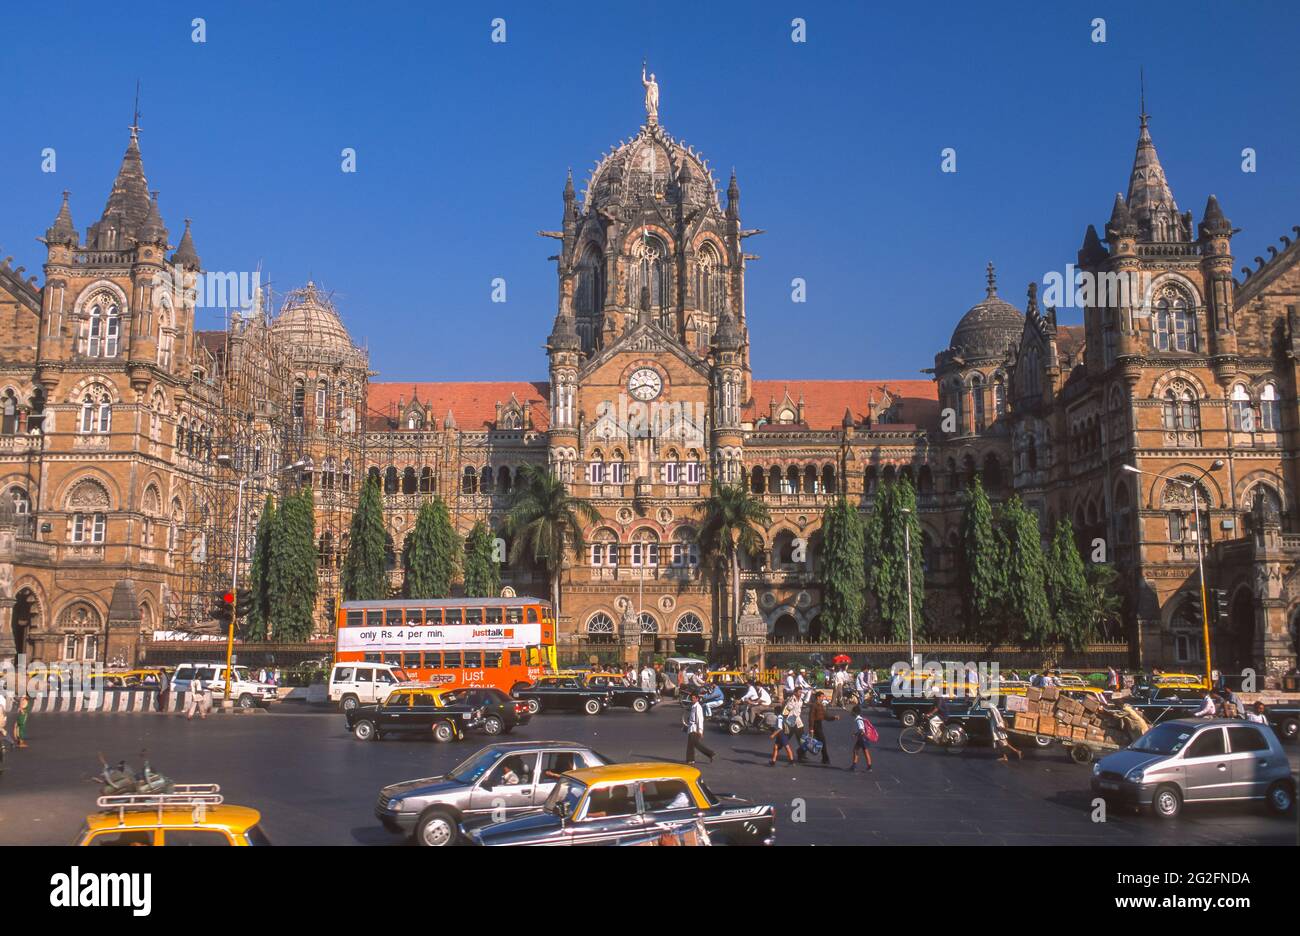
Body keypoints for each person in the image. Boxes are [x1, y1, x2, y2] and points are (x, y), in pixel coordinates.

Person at [682, 691, 715, 766]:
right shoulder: (693, 706)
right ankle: (691, 760)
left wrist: (700, 730)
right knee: (693, 744)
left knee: (694, 744)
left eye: (694, 698)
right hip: (691, 728)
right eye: (692, 698)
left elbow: (700, 719)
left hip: (695, 729)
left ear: (697, 699)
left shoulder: (698, 707)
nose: (692, 699)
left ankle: (709, 754)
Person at [808, 690, 837, 765]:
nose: (823, 698)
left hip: (819, 724)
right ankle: (825, 759)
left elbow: (825, 716)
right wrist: (811, 728)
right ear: (818, 697)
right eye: (822, 697)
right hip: (815, 725)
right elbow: (811, 717)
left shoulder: (821, 705)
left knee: (812, 741)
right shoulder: (814, 706)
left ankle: (800, 752)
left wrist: (834, 718)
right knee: (821, 741)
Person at [782, 689, 807, 760]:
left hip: (798, 721)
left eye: (801, 692)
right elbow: (786, 710)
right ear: (795, 692)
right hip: (791, 720)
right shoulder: (791, 700)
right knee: (786, 737)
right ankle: (777, 746)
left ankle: (801, 754)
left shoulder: (801, 700)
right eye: (799, 692)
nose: (801, 693)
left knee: (802, 738)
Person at [849, 705, 873, 772]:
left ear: (854, 712)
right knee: (864, 751)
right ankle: (869, 766)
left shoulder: (858, 720)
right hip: (864, 738)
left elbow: (861, 730)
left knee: (857, 750)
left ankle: (854, 766)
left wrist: (855, 734)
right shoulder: (860, 718)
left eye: (852, 711)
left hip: (862, 738)